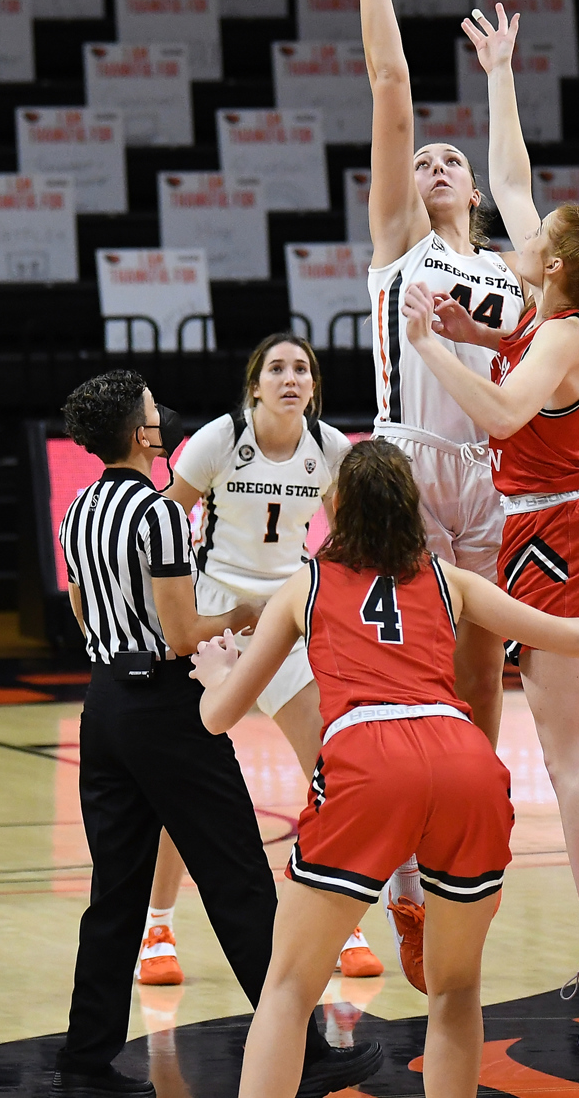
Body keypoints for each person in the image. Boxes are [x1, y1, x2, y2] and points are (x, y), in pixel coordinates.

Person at [398, 3, 579, 1047]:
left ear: (554, 267)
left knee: (567, 754)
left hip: (554, 535)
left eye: (537, 240)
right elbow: (511, 180)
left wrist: (431, 344)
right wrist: (501, 74)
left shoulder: (560, 335)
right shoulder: (573, 298)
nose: (523, 230)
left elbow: (499, 412)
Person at [187, 439, 579, 1098]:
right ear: (411, 509)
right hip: (462, 762)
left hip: (369, 762)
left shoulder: (304, 585)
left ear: (336, 510)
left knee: (287, 986)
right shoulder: (451, 580)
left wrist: (215, 671)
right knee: (456, 990)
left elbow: (218, 716)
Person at [49, 370, 380, 1098]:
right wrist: (247, 619)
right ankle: (303, 1051)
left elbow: (80, 606)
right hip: (166, 710)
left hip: (103, 702)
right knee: (237, 877)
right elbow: (178, 635)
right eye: (149, 412)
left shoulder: (78, 508)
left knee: (116, 889)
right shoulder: (160, 515)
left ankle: (86, 1051)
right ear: (142, 435)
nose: (159, 417)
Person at [333, 0, 527, 984]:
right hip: (406, 467)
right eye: (424, 159)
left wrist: (499, 85)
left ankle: (460, 845)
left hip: (491, 472)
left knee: (483, 674)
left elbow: (515, 170)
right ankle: (394, 882)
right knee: (412, 678)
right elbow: (391, 84)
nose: (433, 160)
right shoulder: (400, 239)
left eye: (451, 159)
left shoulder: (505, 265)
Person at [136, 335, 380, 987]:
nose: (291, 377)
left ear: (314, 385)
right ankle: (156, 927)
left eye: (302, 368)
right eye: (277, 368)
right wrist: (172, 605)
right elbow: (167, 517)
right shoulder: (222, 438)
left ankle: (341, 923)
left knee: (330, 774)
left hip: (288, 616)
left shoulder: (329, 448)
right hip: (218, 615)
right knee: (184, 785)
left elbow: (350, 540)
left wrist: (336, 607)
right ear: (255, 386)